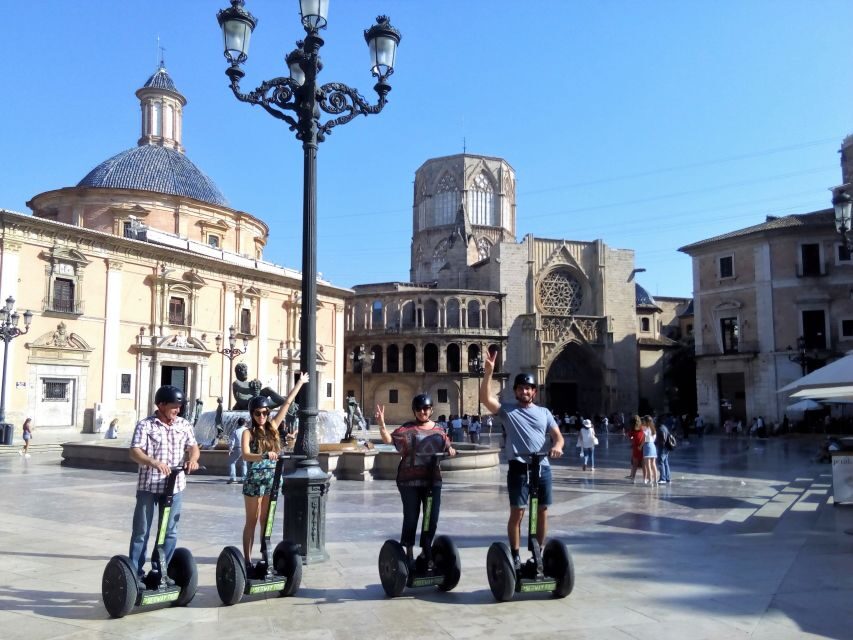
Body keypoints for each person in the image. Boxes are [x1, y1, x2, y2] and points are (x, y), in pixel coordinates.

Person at [479, 352, 564, 571]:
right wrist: (488, 373)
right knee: (518, 512)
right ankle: (515, 555)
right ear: (515, 391)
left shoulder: (544, 412)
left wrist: (557, 446)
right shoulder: (508, 410)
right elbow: (485, 400)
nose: (524, 391)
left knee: (543, 510)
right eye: (520, 388)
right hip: (518, 467)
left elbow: (558, 436)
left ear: (534, 392)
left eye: (528, 388)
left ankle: (539, 553)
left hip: (542, 467)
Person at [128, 386, 200, 581]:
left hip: (174, 487)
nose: (177, 410)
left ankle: (160, 571)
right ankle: (135, 574)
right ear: (161, 405)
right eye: (174, 406)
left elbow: (193, 447)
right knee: (141, 531)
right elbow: (135, 451)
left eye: (179, 407)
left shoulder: (184, 424)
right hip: (149, 486)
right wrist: (152, 462)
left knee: (169, 532)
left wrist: (192, 459)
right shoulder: (145, 425)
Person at [375, 394, 456, 569]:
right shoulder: (407, 429)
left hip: (432, 480)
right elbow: (389, 440)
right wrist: (381, 424)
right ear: (414, 411)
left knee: (431, 518)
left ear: (431, 410)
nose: (422, 412)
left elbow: (447, 444)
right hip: (409, 481)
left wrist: (450, 449)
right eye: (419, 409)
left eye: (426, 408)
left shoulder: (439, 430)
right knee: (411, 517)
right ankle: (409, 551)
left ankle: (426, 550)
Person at [241, 372, 307, 572]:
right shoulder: (248, 432)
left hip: (272, 479)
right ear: (252, 414)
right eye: (258, 413)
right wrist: (263, 455)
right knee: (251, 520)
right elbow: (245, 455)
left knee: (265, 520)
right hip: (254, 480)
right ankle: (246, 560)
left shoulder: (274, 428)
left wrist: (300, 383)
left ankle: (265, 556)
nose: (262, 416)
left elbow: (286, 403)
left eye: (264, 413)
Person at [227, 417, 249, 484]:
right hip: (246, 448)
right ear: (244, 423)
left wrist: (230, 449)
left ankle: (233, 477)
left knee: (232, 462)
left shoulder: (235, 431)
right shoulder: (248, 430)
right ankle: (244, 478)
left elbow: (232, 442)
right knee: (244, 463)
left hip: (238, 448)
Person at [625, 415, 644, 482]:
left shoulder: (633, 429)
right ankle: (645, 478)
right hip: (642, 447)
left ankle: (633, 477)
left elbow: (630, 437)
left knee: (635, 463)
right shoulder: (642, 427)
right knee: (643, 463)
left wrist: (633, 439)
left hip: (636, 447)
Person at [641, 415, 658, 485]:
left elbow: (645, 439)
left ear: (646, 421)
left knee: (648, 465)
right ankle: (655, 480)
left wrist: (640, 446)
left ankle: (650, 480)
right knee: (653, 465)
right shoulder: (653, 428)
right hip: (653, 446)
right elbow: (653, 439)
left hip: (647, 446)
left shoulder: (645, 428)